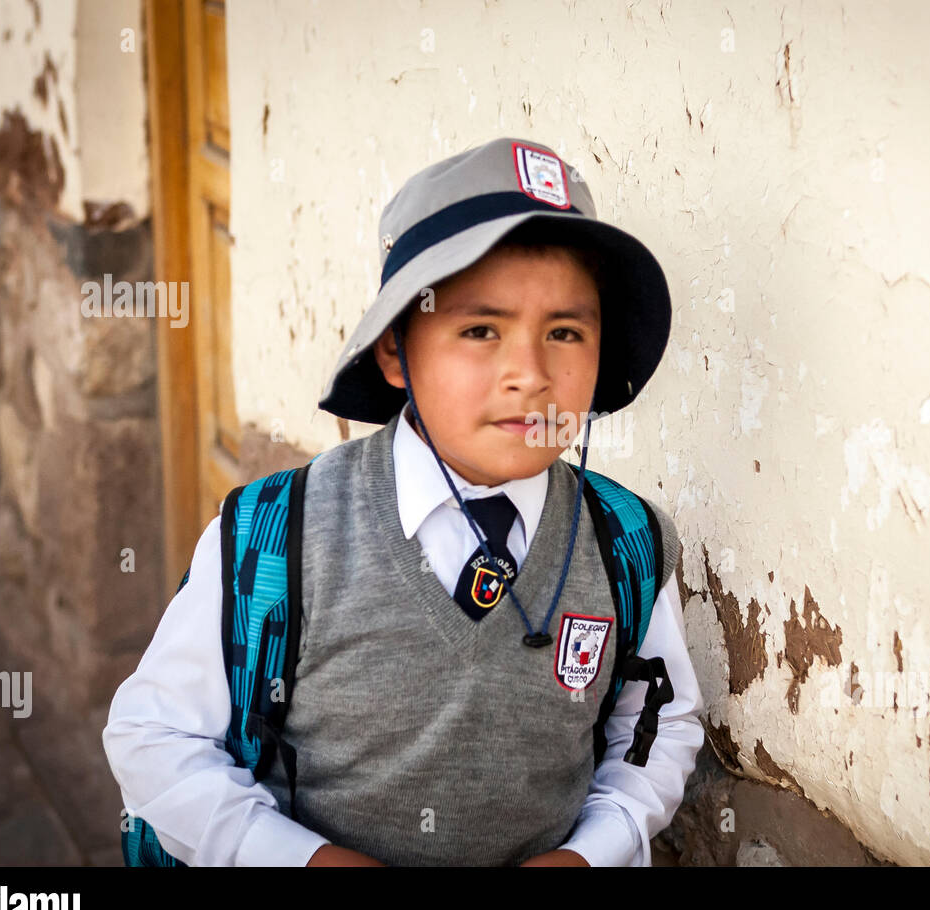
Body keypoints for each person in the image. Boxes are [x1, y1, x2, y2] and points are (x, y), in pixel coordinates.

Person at [102, 136, 704, 866]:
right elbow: (155, 736)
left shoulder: (624, 543)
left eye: (566, 332)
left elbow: (660, 720)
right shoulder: (280, 535)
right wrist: (301, 860)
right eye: (481, 329)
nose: (531, 374)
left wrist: (596, 849)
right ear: (394, 351)